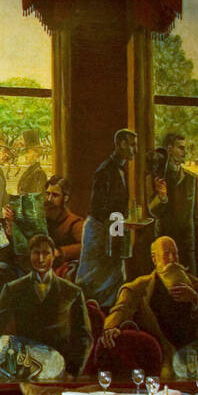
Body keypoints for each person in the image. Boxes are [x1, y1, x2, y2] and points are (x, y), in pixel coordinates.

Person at [100, 235, 198, 379]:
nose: (172, 259)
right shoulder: (137, 288)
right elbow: (120, 311)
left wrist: (196, 300)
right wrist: (111, 327)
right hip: (161, 363)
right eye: (166, 254)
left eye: (175, 254)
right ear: (154, 259)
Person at [0, 235, 92, 376]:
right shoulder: (14, 288)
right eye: (36, 253)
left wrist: (72, 372)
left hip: (57, 364)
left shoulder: (72, 291)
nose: (41, 259)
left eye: (46, 253)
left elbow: (83, 337)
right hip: (24, 363)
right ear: (30, 255)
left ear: (54, 255)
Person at [76, 128, 138, 309]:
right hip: (99, 231)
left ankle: (109, 315)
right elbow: (98, 208)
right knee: (95, 276)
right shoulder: (105, 171)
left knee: (115, 274)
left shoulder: (120, 169)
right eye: (132, 145)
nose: (135, 150)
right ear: (121, 144)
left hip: (113, 227)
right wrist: (119, 222)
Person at [148, 133, 198, 274]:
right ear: (169, 149)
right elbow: (152, 211)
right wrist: (162, 197)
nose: (185, 152)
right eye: (181, 148)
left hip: (186, 245)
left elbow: (196, 216)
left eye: (185, 148)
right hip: (164, 244)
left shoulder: (192, 179)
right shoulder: (157, 177)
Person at [43, 174, 84, 270]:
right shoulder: (42, 219)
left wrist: (60, 252)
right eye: (48, 194)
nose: (49, 199)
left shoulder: (75, 222)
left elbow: (84, 246)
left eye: (55, 195)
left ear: (65, 198)